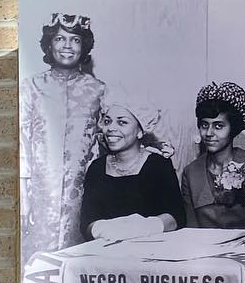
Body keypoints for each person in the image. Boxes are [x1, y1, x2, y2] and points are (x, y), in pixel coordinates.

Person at [21, 13, 106, 252]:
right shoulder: (31, 87)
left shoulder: (98, 90)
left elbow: (114, 134)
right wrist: (23, 195)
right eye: (60, 39)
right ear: (49, 44)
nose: (67, 46)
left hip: (86, 191)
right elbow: (21, 141)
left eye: (75, 40)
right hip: (38, 193)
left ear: (84, 46)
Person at [77, 93, 185, 241]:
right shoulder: (97, 168)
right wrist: (104, 229)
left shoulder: (158, 165)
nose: (111, 128)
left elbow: (176, 217)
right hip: (105, 254)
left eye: (122, 123)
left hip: (151, 253)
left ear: (140, 131)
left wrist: (141, 228)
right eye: (107, 121)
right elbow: (87, 222)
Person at [181, 81, 245, 228]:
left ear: (233, 129)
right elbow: (191, 228)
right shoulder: (191, 172)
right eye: (204, 125)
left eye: (218, 126)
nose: (209, 133)